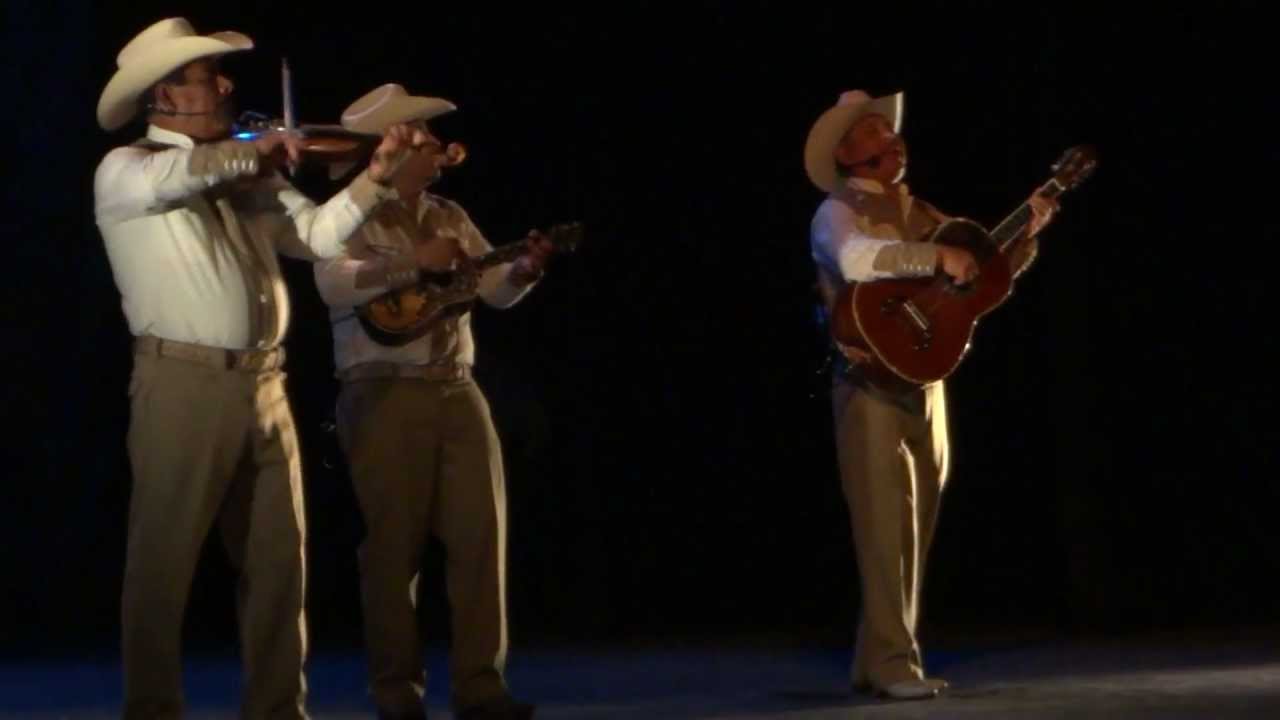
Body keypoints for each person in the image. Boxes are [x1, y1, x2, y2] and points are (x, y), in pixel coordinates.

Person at [93, 17, 427, 719]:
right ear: (165, 96)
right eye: (205, 76)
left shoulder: (245, 172)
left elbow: (317, 236)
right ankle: (151, 709)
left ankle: (279, 710)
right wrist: (251, 152)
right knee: (163, 564)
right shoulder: (126, 169)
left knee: (280, 563)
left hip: (265, 384)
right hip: (183, 385)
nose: (224, 86)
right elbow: (178, 177)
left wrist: (375, 178)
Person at [804, 89, 1056, 700]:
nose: (890, 136)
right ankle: (895, 664)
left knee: (913, 529)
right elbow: (857, 260)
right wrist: (935, 254)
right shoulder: (836, 212)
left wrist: (1023, 237)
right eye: (872, 130)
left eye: (889, 129)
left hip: (924, 379)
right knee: (882, 526)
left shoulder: (922, 212)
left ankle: (875, 659)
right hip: (867, 384)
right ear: (845, 152)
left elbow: (974, 284)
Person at [313, 83, 552, 720]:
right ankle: (397, 691)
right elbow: (332, 283)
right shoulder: (347, 213)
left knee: (481, 538)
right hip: (381, 390)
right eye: (424, 135)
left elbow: (494, 291)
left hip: (456, 385)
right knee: (393, 549)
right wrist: (412, 263)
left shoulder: (449, 213)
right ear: (396, 145)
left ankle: (481, 685)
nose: (438, 145)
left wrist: (523, 271)